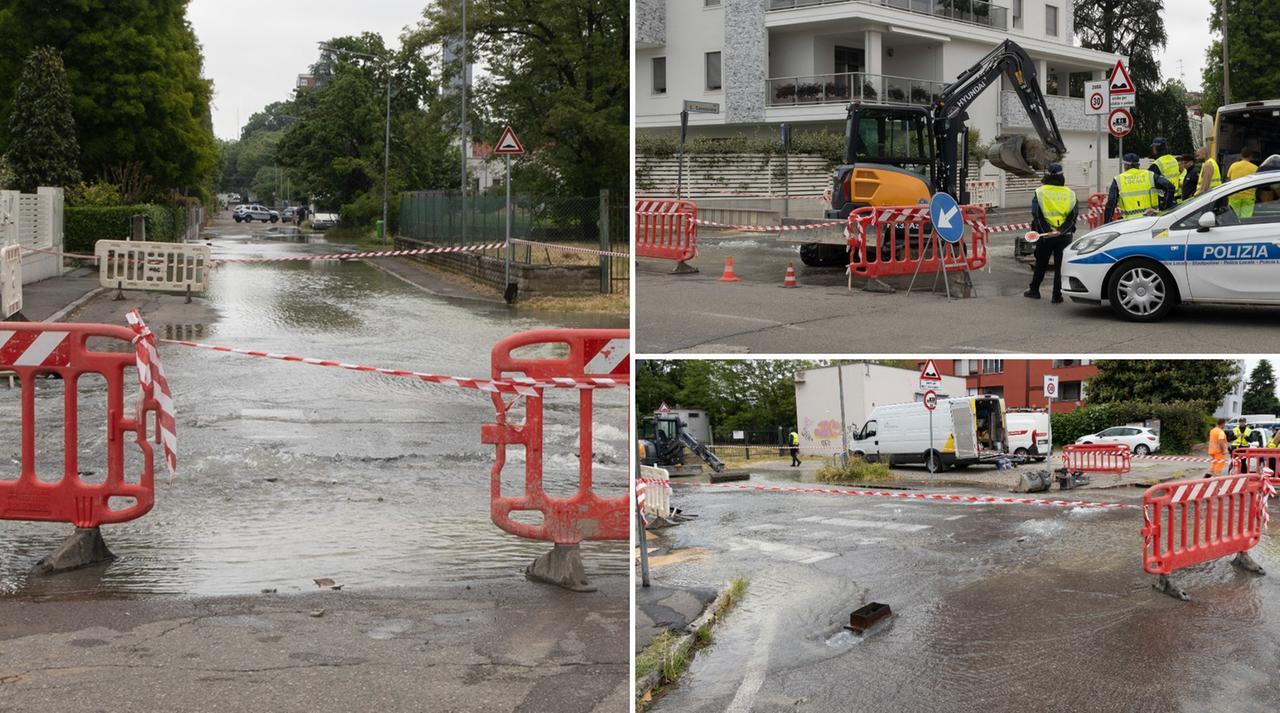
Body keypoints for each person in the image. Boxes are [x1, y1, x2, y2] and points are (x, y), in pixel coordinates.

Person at [1024, 163, 1078, 303]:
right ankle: (1056, 296)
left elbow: (1037, 214)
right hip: (1064, 236)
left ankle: (1034, 290)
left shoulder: (1040, 192)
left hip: (1045, 236)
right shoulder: (1070, 194)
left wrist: (1047, 232)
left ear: (1046, 176)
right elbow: (1073, 217)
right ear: (1062, 176)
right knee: (1060, 266)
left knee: (1041, 262)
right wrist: (1061, 231)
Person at [1103, 153, 1175, 223]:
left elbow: (1111, 202)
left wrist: (1107, 222)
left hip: (1130, 223)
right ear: (1138, 165)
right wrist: (1165, 208)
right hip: (1151, 220)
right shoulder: (1149, 175)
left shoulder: (1118, 180)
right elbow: (1170, 187)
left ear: (1126, 166)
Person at [1226, 148, 1259, 218]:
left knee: (1233, 218)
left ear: (1240, 155)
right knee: (1246, 219)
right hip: (1249, 197)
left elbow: (1228, 180)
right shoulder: (1255, 168)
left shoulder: (1233, 166)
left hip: (1234, 195)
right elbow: (1257, 184)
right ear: (1251, 156)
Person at [1149, 137, 1181, 205]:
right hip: (1174, 197)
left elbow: (1148, 180)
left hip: (1163, 199)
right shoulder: (1173, 160)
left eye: (1153, 147)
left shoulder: (1157, 163)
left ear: (1156, 148)